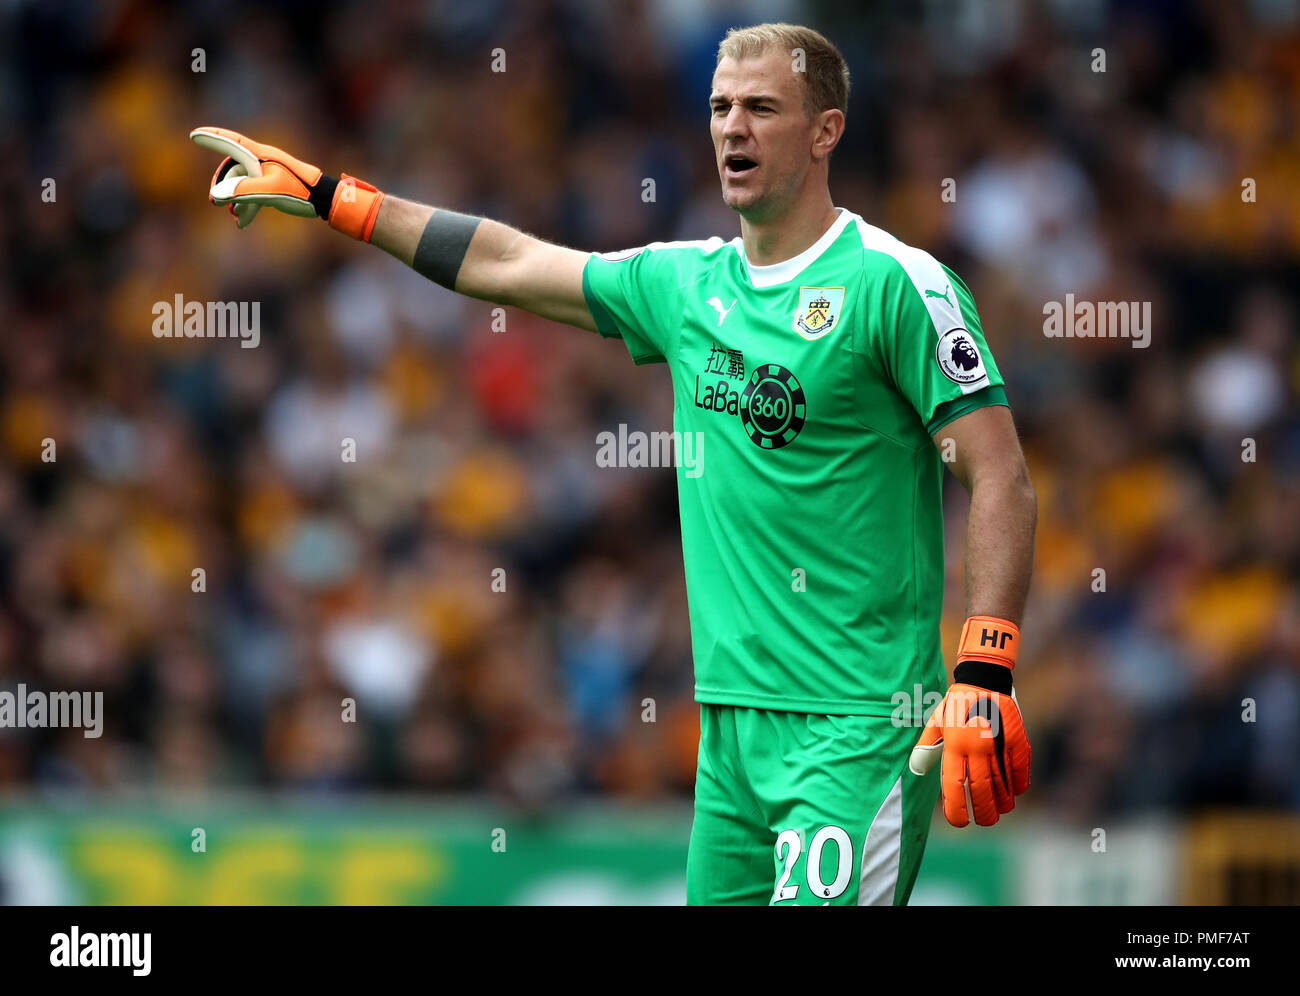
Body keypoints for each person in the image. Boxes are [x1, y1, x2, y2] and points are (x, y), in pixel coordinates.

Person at [191, 21, 1036, 906]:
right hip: (730, 738)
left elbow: (1000, 477)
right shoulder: (684, 284)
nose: (732, 128)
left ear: (826, 131)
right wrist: (340, 200)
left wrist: (983, 669)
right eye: (719, 108)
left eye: (761, 108)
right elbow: (511, 262)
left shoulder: (896, 285)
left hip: (860, 729)